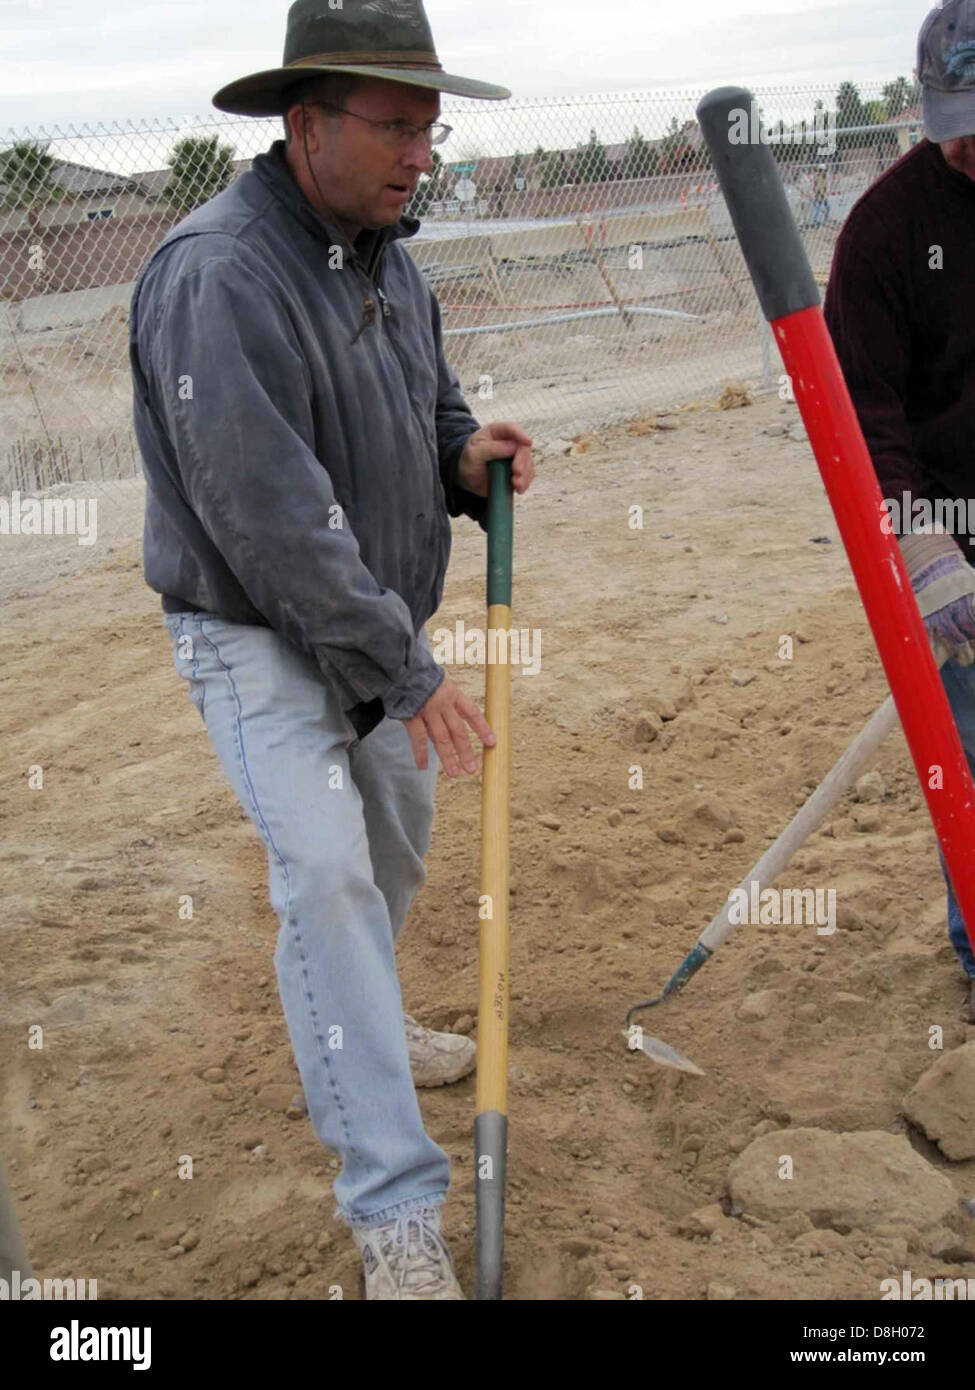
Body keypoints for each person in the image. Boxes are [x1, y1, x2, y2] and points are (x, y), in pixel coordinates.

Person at [129, 0, 534, 1299]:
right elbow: (269, 520)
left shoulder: (386, 257)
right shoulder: (218, 274)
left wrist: (465, 461)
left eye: (431, 125)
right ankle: (393, 1206)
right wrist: (403, 666)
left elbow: (432, 410)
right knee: (326, 873)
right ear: (305, 122)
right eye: (398, 126)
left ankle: (353, 1003)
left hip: (370, 620)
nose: (422, 152)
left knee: (387, 852)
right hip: (258, 634)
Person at [824, 0, 975, 1020]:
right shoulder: (886, 232)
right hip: (942, 533)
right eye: (956, 115)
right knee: (966, 749)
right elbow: (859, 406)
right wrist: (921, 547)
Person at [810, 163, 830, 227]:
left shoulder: (825, 176)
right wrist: (820, 195)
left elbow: (825, 186)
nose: (824, 171)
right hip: (819, 195)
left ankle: (825, 220)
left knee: (827, 207)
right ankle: (814, 221)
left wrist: (825, 193)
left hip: (823, 195)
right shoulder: (818, 177)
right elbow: (817, 187)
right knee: (817, 208)